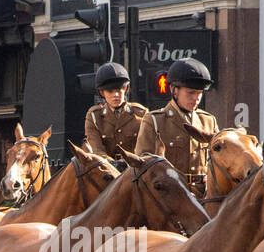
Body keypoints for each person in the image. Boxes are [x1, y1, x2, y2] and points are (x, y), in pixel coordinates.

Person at [134, 57, 218, 196]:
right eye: (190, 92)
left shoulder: (208, 121)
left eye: (199, 93)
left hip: (204, 195)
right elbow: (143, 167)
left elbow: (219, 160)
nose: (196, 98)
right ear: (174, 90)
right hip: (170, 197)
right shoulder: (154, 121)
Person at [84, 62, 147, 161]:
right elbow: (97, 151)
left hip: (135, 169)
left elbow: (145, 149)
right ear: (102, 93)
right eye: (110, 91)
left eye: (119, 90)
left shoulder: (141, 113)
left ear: (125, 88)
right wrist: (114, 167)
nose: (116, 95)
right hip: (107, 171)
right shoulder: (94, 116)